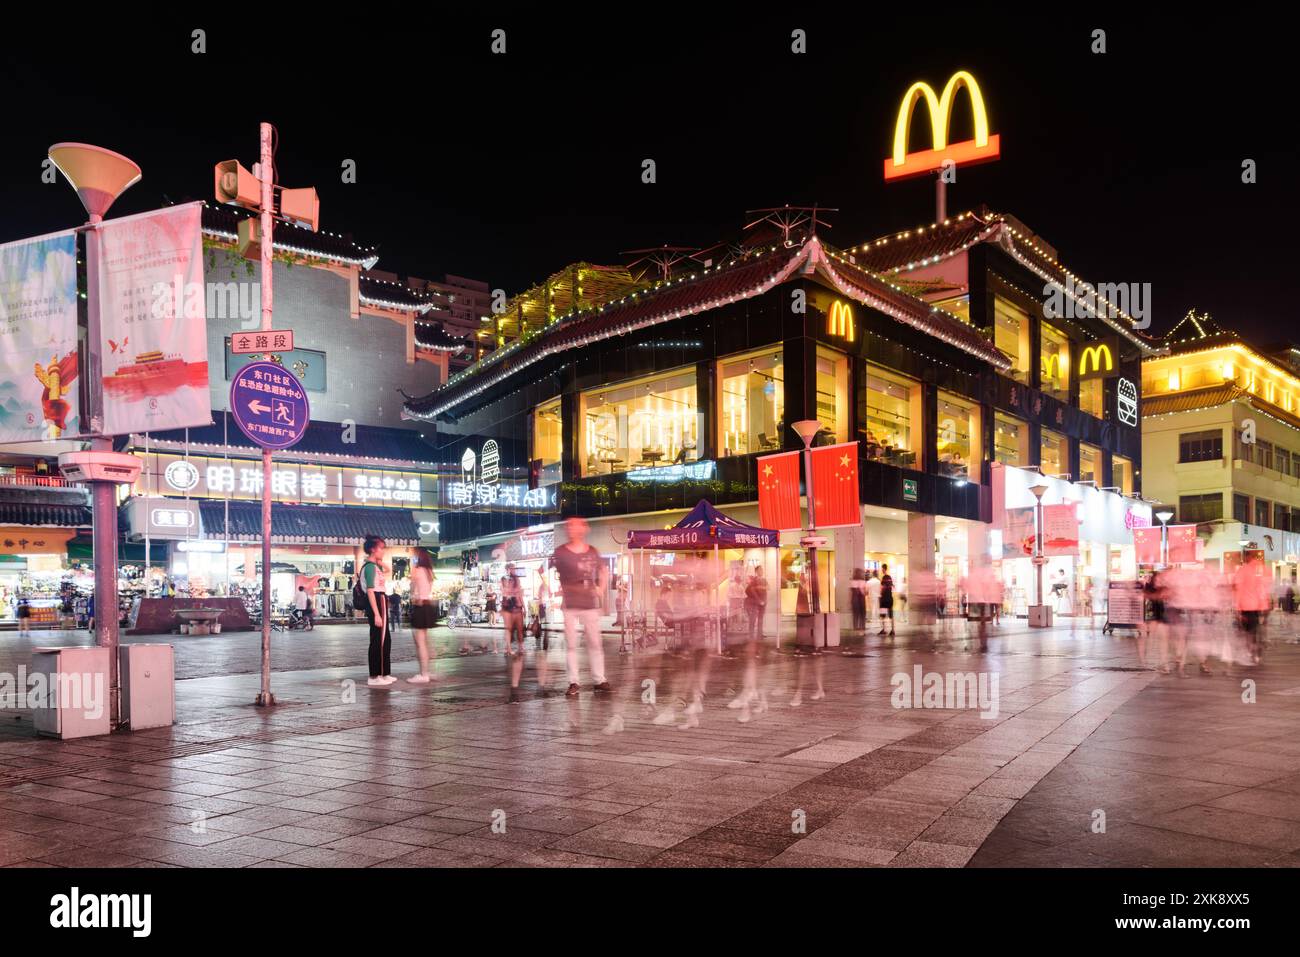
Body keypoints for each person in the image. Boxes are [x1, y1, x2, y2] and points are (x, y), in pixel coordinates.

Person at [549, 516, 611, 698]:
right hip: (569, 604)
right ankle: (573, 681)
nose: (570, 529)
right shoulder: (560, 552)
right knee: (571, 645)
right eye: (568, 526)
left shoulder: (592, 551)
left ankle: (599, 679)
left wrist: (600, 588)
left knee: (595, 643)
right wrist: (554, 590)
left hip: (589, 604)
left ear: (584, 529)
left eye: (574, 526)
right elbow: (543, 570)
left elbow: (603, 571)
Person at [730, 568, 770, 723]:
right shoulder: (753, 590)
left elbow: (760, 593)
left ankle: (750, 700)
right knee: (751, 667)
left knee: (751, 666)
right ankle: (758, 700)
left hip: (753, 640)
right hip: (753, 638)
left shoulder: (755, 589)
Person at [359, 536, 394, 687]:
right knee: (377, 640)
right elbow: (371, 591)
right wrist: (377, 614)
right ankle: (374, 676)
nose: (383, 551)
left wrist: (378, 561)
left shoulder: (374, 566)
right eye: (381, 548)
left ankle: (384, 673)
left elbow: (388, 570)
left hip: (381, 600)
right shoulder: (369, 568)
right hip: (376, 601)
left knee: (385, 640)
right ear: (373, 549)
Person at [407, 547, 435, 683]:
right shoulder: (429, 572)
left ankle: (423, 674)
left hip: (419, 606)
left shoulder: (417, 570)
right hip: (428, 606)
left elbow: (412, 589)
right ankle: (426, 671)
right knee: (424, 641)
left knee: (420, 643)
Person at [878, 564, 896, 637]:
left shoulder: (884, 577)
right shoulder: (890, 577)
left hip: (884, 599)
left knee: (882, 615)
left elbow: (883, 588)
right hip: (890, 599)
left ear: (884, 569)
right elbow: (893, 586)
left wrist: (880, 594)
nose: (881, 570)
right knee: (891, 615)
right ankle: (892, 630)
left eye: (882, 569)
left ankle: (883, 629)